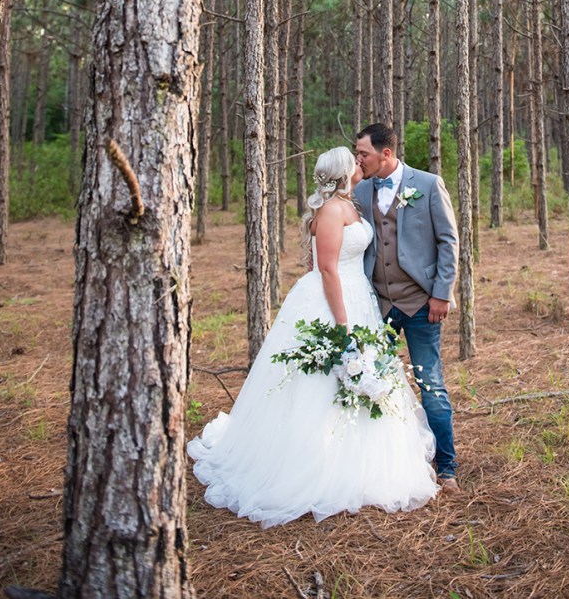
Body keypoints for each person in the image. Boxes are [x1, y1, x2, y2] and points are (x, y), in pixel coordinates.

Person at [188, 146, 438, 527]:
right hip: (335, 300)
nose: (360, 163)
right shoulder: (332, 211)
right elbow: (327, 269)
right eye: (354, 161)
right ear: (341, 171)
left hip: (360, 296)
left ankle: (357, 462)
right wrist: (342, 324)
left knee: (359, 375)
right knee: (318, 384)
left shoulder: (351, 202)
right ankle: (312, 463)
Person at [353, 123, 460, 491]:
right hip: (377, 305)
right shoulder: (361, 190)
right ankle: (382, 465)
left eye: (363, 153)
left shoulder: (428, 184)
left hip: (420, 303)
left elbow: (448, 241)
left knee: (430, 384)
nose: (358, 160)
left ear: (386, 153)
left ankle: (446, 467)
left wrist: (442, 294)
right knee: (373, 382)